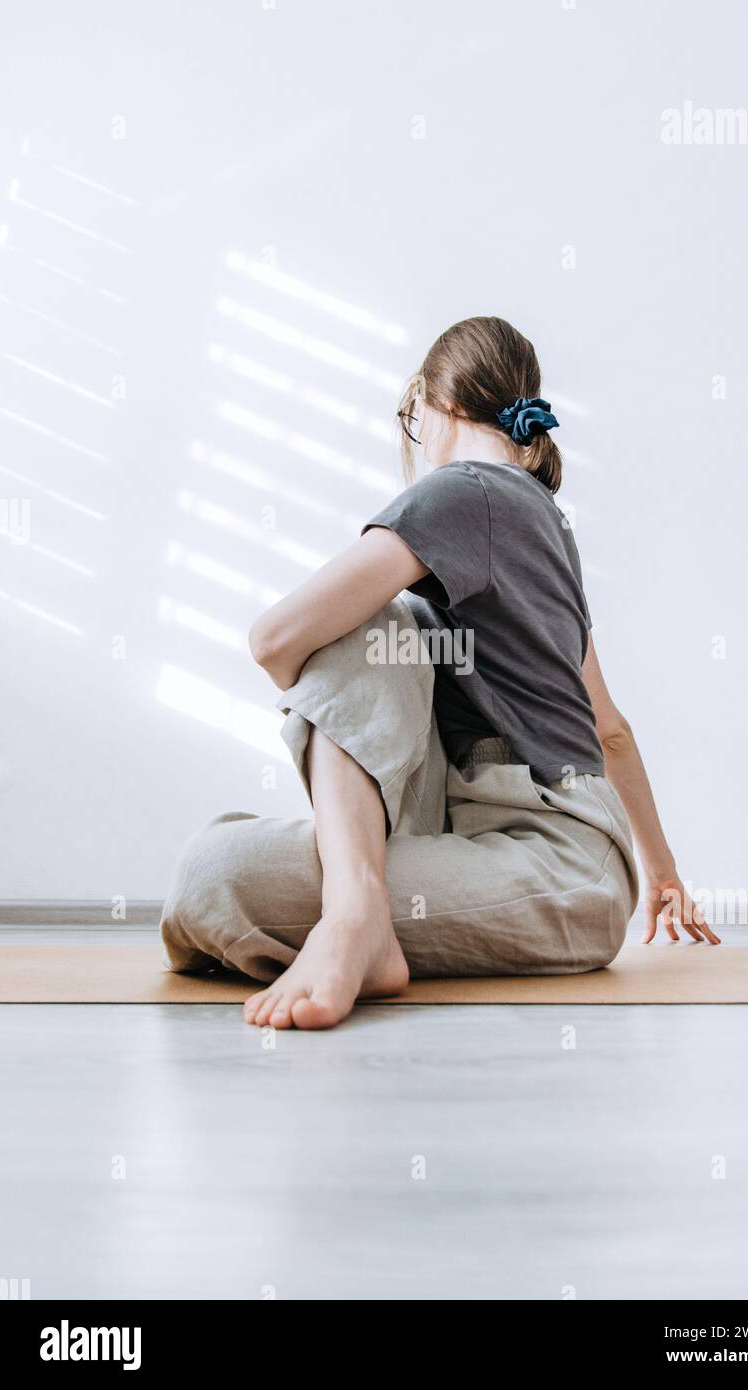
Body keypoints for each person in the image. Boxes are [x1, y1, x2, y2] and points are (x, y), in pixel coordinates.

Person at [160, 316, 719, 1030]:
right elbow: (607, 729)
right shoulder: (544, 520)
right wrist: (661, 874)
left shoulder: (460, 493)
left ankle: (354, 913)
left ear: (431, 404)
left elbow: (272, 640)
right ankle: (356, 910)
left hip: (549, 870)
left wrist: (335, 700)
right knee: (385, 627)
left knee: (211, 872)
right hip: (577, 869)